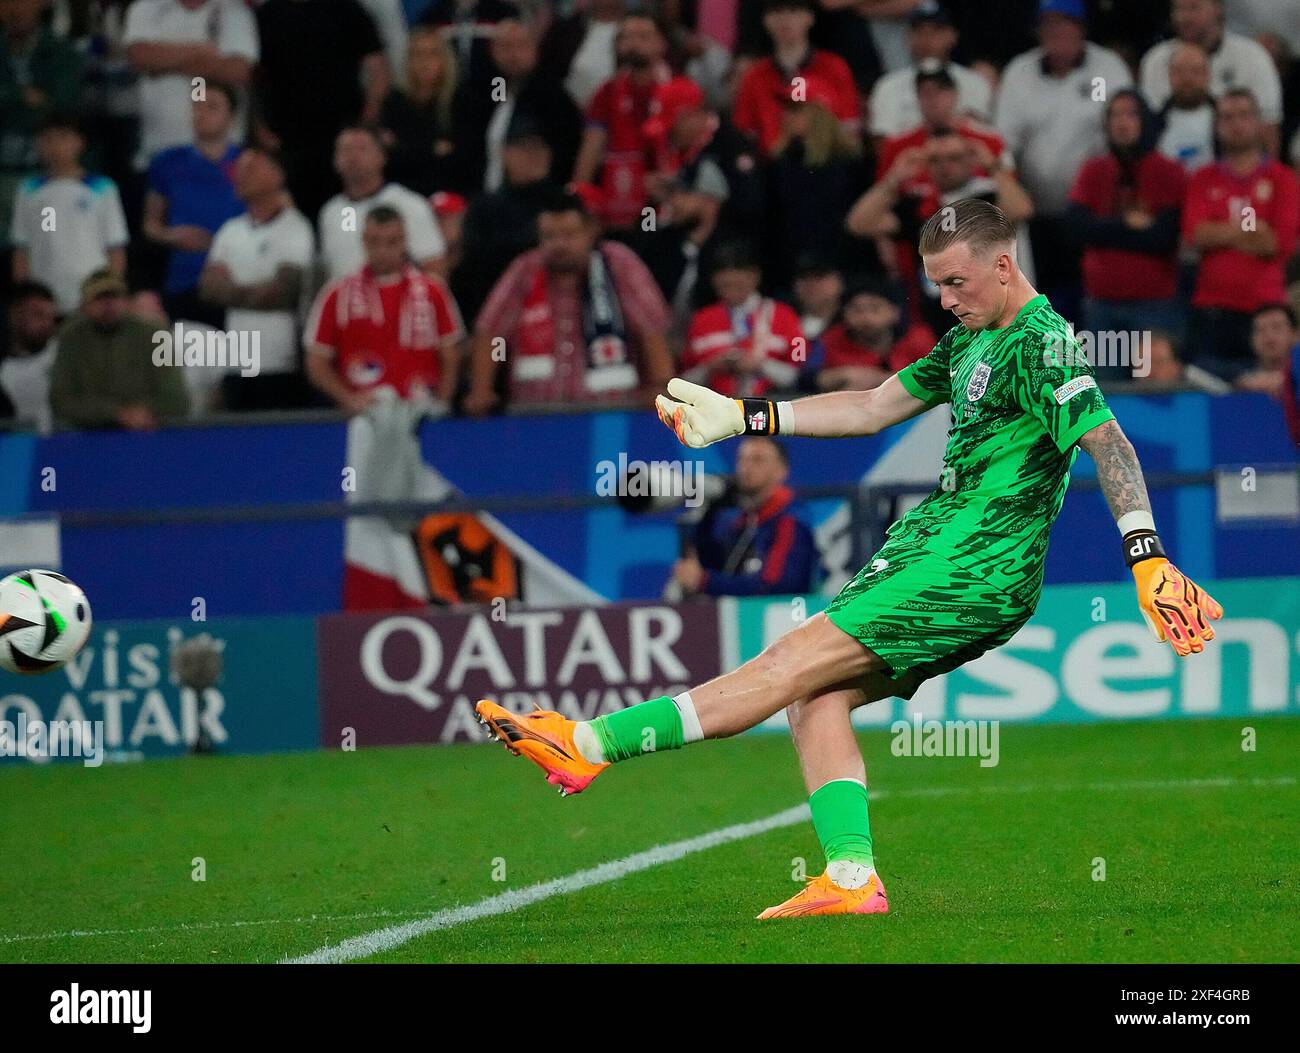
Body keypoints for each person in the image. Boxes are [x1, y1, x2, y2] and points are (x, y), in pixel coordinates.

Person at [475, 198, 1225, 919]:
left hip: (973, 564)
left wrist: (1146, 556)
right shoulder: (971, 334)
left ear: (1005, 265)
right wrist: (746, 415)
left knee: (792, 658)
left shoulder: (1042, 339)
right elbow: (871, 407)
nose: (945, 299)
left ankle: (589, 743)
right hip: (933, 548)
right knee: (816, 697)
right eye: (935, 284)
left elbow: (1108, 440)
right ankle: (851, 877)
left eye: (957, 282)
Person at [466, 188, 672, 412]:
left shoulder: (618, 263)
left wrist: (661, 386)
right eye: (549, 236)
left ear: (590, 231)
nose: (559, 245)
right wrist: (481, 391)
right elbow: (490, 331)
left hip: (611, 411)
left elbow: (652, 329)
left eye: (569, 235)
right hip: (533, 415)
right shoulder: (526, 269)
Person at [995, 0, 1131, 322]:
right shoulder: (1020, 72)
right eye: (1048, 24)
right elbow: (1004, 143)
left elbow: (1120, 128)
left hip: (1094, 209)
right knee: (1040, 295)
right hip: (1035, 212)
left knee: (1089, 293)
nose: (1055, 31)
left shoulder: (1106, 71)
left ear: (1081, 28)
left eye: (1064, 23)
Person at [1182, 89, 1300, 381]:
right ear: (1217, 125)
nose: (1236, 124)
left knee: (1271, 394)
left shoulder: (1283, 179)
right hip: (1212, 311)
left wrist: (1221, 230)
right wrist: (1251, 229)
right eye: (1227, 117)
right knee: (1207, 388)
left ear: (1259, 123)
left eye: (1244, 116)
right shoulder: (1202, 178)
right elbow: (1195, 236)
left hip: (1265, 313)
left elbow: (1277, 242)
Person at [305, 206, 465, 415]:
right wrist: (348, 399)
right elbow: (316, 362)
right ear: (363, 241)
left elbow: (451, 354)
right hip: (363, 415)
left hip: (421, 413)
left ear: (405, 241)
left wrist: (442, 403)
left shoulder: (433, 290)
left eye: (392, 242)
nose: (383, 251)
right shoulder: (336, 294)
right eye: (375, 242)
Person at [1067, 89, 1187, 363]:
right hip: (1101, 303)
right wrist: (1128, 225)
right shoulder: (1093, 169)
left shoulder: (1169, 171)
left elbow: (1163, 238)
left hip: (1155, 304)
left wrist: (1102, 230)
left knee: (1157, 392)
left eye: (1131, 114)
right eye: (1115, 115)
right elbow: (1074, 230)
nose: (1122, 123)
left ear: (1145, 120)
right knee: (1105, 397)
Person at [199, 145, 314, 410]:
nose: (241, 174)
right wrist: (257, 289)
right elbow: (207, 289)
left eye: (251, 168)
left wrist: (231, 288)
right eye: (239, 169)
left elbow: (283, 292)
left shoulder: (295, 229)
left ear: (277, 176)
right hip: (235, 364)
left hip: (278, 364)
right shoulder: (230, 231)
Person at [142, 86, 243, 328]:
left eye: (212, 107)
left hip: (236, 283)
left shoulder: (248, 162)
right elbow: (150, 225)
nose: (202, 113)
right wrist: (171, 236)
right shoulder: (167, 162)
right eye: (197, 106)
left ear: (231, 116)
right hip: (183, 280)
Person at [10, 115, 128, 315]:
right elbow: (21, 248)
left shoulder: (102, 188)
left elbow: (115, 247)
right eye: (48, 139)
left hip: (90, 294)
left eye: (62, 138)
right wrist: (25, 296)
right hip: (44, 296)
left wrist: (109, 294)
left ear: (79, 142)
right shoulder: (28, 190)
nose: (55, 146)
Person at [670, 436, 816, 598]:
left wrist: (705, 581)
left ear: (781, 471)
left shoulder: (790, 521)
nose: (747, 467)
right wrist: (708, 512)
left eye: (758, 460)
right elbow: (716, 566)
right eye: (742, 459)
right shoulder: (741, 522)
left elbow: (774, 585)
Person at [123, 0, 257, 171]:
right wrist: (197, 51)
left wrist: (162, 63)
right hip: (159, 148)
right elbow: (139, 56)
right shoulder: (147, 7)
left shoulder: (234, 11)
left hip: (220, 154)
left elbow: (238, 70)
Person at [452, 17, 582, 193]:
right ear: (492, 51)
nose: (513, 55)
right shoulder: (481, 92)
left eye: (520, 46)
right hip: (481, 193)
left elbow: (566, 150)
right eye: (505, 47)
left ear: (535, 50)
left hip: (538, 195)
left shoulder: (553, 96)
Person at [50, 268, 188, 429]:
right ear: (84, 305)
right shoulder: (71, 339)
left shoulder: (154, 336)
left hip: (148, 431)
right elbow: (61, 400)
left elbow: (177, 399)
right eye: (100, 298)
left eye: (115, 296)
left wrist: (143, 412)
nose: (109, 304)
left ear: (127, 301)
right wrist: (117, 414)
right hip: (88, 435)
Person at [1140, 0, 1282, 155]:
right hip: (1169, 168)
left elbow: (1269, 127)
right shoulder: (1155, 60)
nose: (1183, 17)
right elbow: (1147, 129)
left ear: (1217, 9)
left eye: (1194, 7)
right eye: (1178, 9)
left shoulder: (1252, 56)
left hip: (1230, 171)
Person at [317, 125, 448, 283]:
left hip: (395, 303)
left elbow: (434, 268)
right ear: (335, 160)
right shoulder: (331, 212)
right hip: (348, 303)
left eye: (362, 149)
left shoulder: (409, 204)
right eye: (345, 150)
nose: (353, 157)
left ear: (382, 156)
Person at [731, 0, 859, 158]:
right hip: (771, 169)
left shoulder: (834, 67)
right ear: (765, 20)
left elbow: (850, 128)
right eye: (776, 11)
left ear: (810, 17)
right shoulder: (754, 75)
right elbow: (744, 133)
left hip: (827, 165)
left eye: (794, 10)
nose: (784, 19)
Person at [682, 243, 804, 397]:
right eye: (723, 274)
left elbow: (799, 376)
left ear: (755, 276)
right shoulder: (701, 320)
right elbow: (682, 380)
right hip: (715, 408)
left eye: (739, 272)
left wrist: (761, 365)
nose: (730, 278)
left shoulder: (784, 315)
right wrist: (710, 367)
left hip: (772, 406)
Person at [868, 1, 992, 141]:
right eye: (919, 31)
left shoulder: (975, 82)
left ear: (953, 36)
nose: (927, 38)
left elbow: (985, 137)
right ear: (908, 37)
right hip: (909, 159)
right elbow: (882, 146)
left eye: (936, 30)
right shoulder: (888, 85)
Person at [377, 25, 460, 197]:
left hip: (449, 191)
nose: (424, 62)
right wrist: (432, 150)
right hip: (401, 192)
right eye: (417, 55)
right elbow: (389, 160)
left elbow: (460, 159)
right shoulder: (394, 103)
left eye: (432, 54)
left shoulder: (459, 102)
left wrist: (405, 148)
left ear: (444, 59)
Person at [813, 277, 933, 392]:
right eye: (857, 310)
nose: (866, 318)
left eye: (875, 308)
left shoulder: (918, 338)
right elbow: (809, 379)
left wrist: (879, 379)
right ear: (844, 314)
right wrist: (844, 374)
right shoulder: (829, 341)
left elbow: (936, 378)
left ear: (895, 312)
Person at [0, 279, 58, 431]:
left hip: (64, 443)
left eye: (50, 316)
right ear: (15, 314)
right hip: (17, 447)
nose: (47, 323)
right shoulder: (4, 369)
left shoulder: (63, 354)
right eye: (38, 315)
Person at [1155, 42, 1217, 174]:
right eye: (1179, 71)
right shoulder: (1153, 124)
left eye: (1195, 71)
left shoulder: (1224, 120)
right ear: (1169, 76)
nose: (1187, 78)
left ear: (1208, 75)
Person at [1236, 302, 1298, 398]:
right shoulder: (1241, 376)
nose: (1268, 335)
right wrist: (1239, 382)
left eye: (1276, 327)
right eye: (1260, 330)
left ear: (1294, 335)